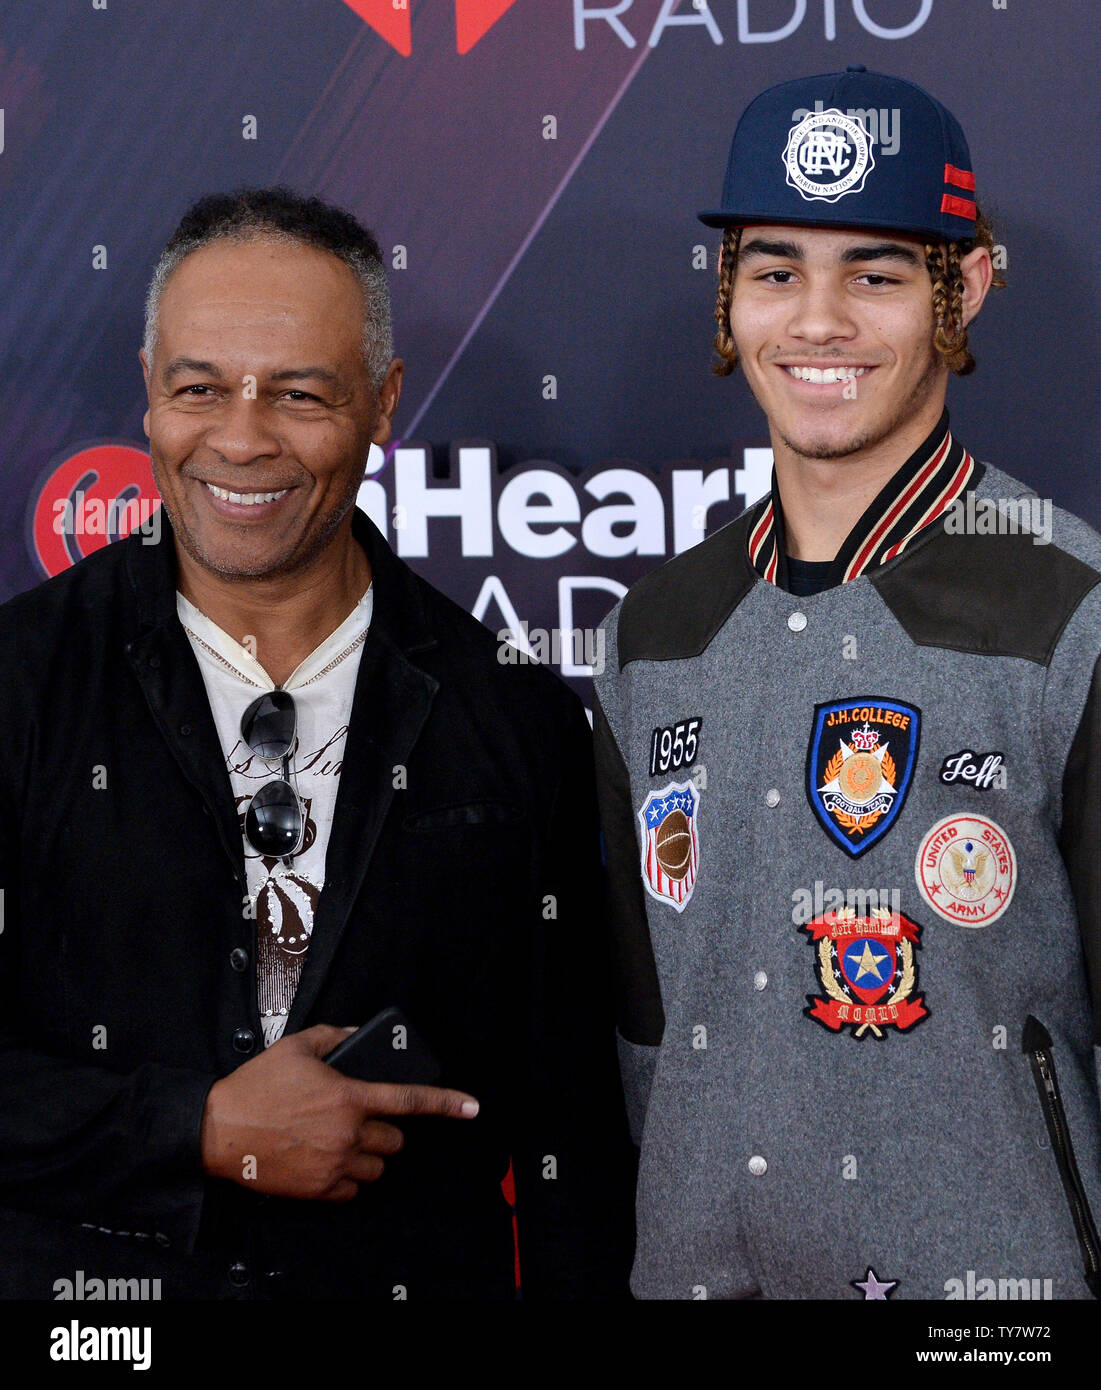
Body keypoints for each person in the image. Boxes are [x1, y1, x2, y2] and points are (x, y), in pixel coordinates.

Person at [0, 188, 634, 1300]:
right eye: (199, 388)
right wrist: (195, 1125)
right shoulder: (18, 685)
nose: (241, 438)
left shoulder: (515, 712)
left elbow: (570, 1130)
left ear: (384, 403)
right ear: (148, 390)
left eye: (300, 394)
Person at [592, 67, 1101, 1300]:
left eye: (873, 275)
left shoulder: (1069, 613)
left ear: (961, 290)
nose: (816, 321)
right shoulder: (653, 632)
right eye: (775, 272)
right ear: (728, 297)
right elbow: (643, 1037)